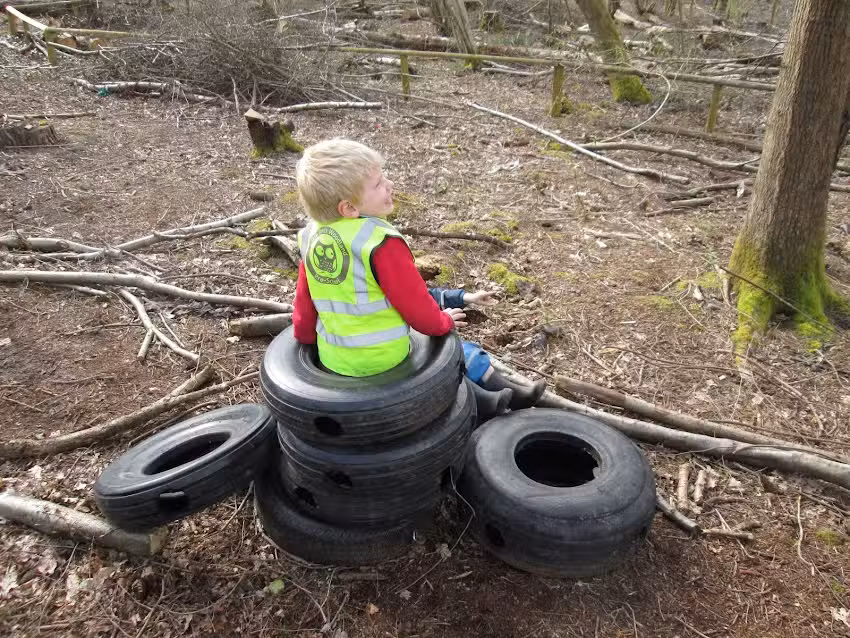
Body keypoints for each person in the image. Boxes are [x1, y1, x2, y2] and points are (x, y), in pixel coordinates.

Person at [291, 139, 545, 411]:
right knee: (451, 347)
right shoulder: (379, 242)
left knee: (438, 350)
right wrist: (442, 322)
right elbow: (416, 306)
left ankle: (491, 400)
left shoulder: (311, 236)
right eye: (378, 184)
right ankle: (494, 396)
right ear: (349, 208)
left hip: (336, 359)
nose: (389, 184)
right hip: (386, 357)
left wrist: (307, 344)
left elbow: (304, 303)